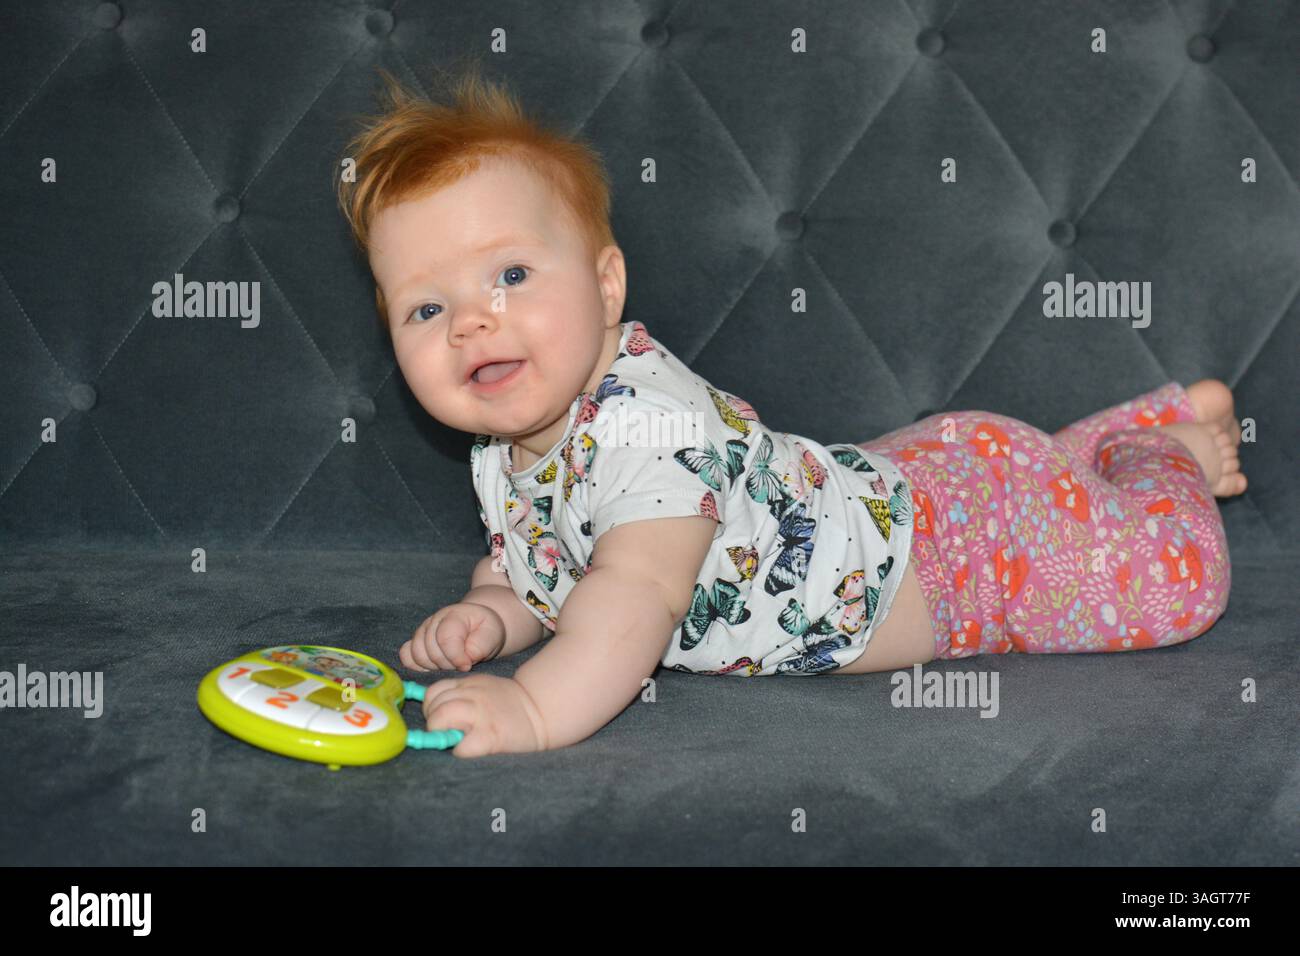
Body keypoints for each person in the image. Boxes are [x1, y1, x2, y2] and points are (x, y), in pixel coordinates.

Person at [335, 65, 1245, 757]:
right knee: (1038, 484)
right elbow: (549, 560)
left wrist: (533, 707)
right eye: (426, 308)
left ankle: (1162, 455)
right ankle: (1110, 444)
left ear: (606, 285)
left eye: (511, 275)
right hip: (903, 477)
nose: (471, 322)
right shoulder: (507, 443)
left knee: (1177, 586)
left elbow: (633, 596)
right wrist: (494, 611)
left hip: (962, 552)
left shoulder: (653, 429)